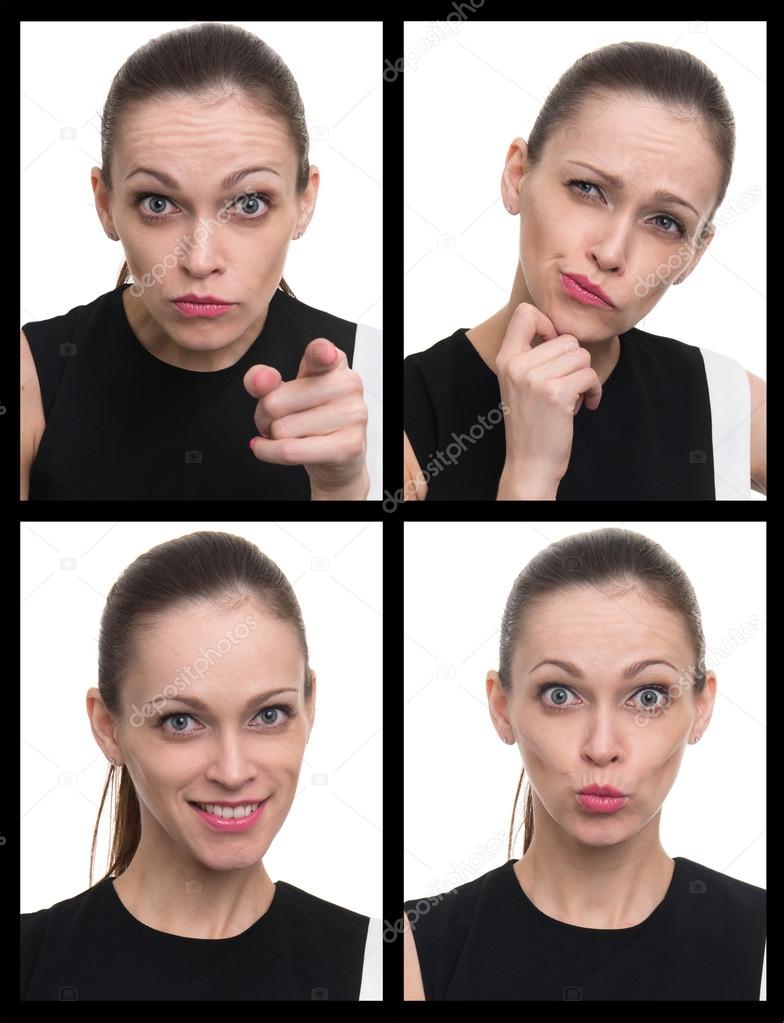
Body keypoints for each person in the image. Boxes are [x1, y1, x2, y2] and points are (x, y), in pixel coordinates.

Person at [21, 23, 380, 501]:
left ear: (305, 202)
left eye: (249, 203)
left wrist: (344, 485)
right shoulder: (31, 372)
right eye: (157, 203)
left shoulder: (375, 373)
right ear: (106, 205)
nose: (200, 260)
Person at [404, 528, 766, 999]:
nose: (601, 746)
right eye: (561, 695)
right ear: (501, 706)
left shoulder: (757, 941)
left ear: (701, 707)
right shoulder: (410, 950)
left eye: (648, 696)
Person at [21, 531, 381, 1000]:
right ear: (109, 728)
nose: (232, 773)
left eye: (269, 715)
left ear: (309, 707)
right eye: (181, 721)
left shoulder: (380, 965)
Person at [403, 42, 765, 500]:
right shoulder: (393, 417)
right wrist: (530, 473)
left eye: (665, 222)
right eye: (588, 189)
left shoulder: (727, 401)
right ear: (518, 176)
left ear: (693, 254)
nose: (611, 252)